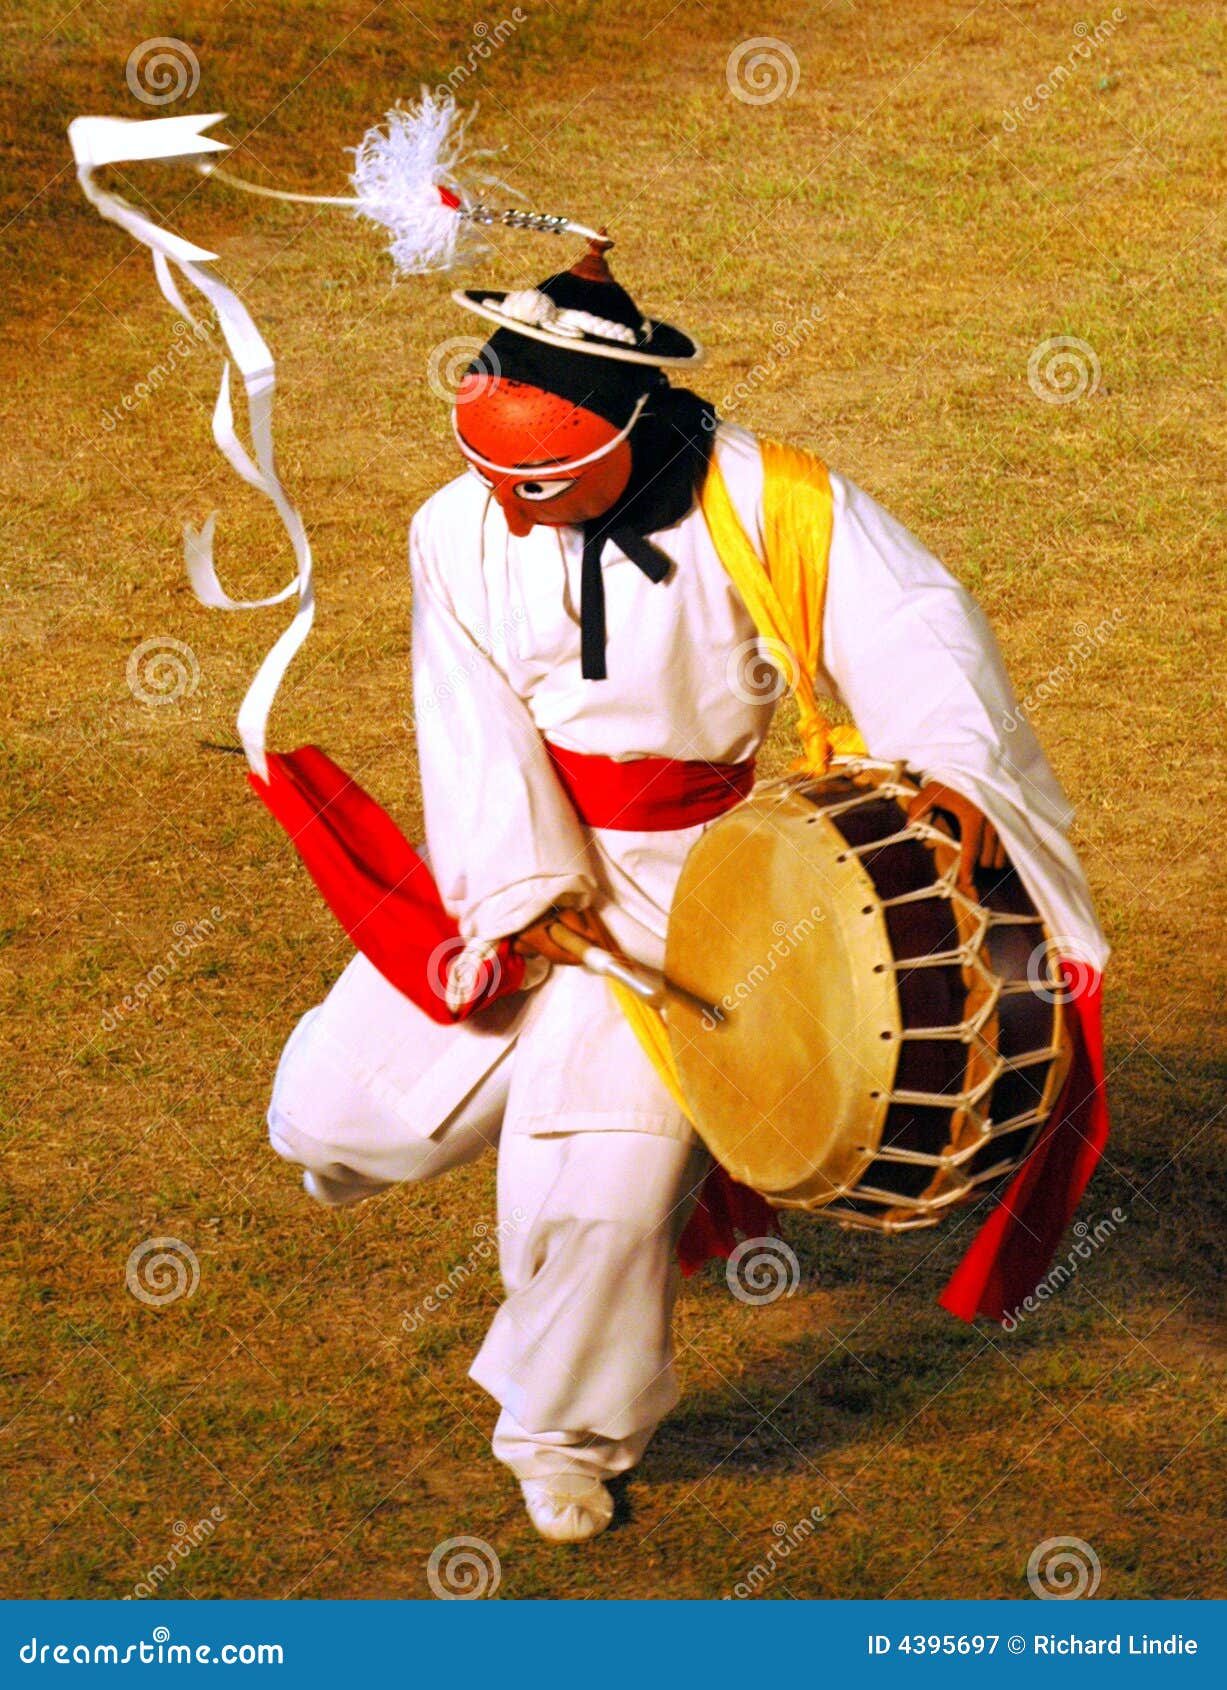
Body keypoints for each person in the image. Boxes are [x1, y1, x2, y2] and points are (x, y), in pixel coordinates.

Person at [265, 242, 1108, 1544]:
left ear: (628, 425)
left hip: (697, 891)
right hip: (518, 853)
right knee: (330, 1115)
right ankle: (422, 1118)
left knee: (600, 1186)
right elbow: (468, 721)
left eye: (538, 479)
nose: (511, 510)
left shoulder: (767, 503)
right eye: (488, 472)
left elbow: (922, 633)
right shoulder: (454, 525)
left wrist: (957, 796)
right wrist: (520, 885)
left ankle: (562, 1435)